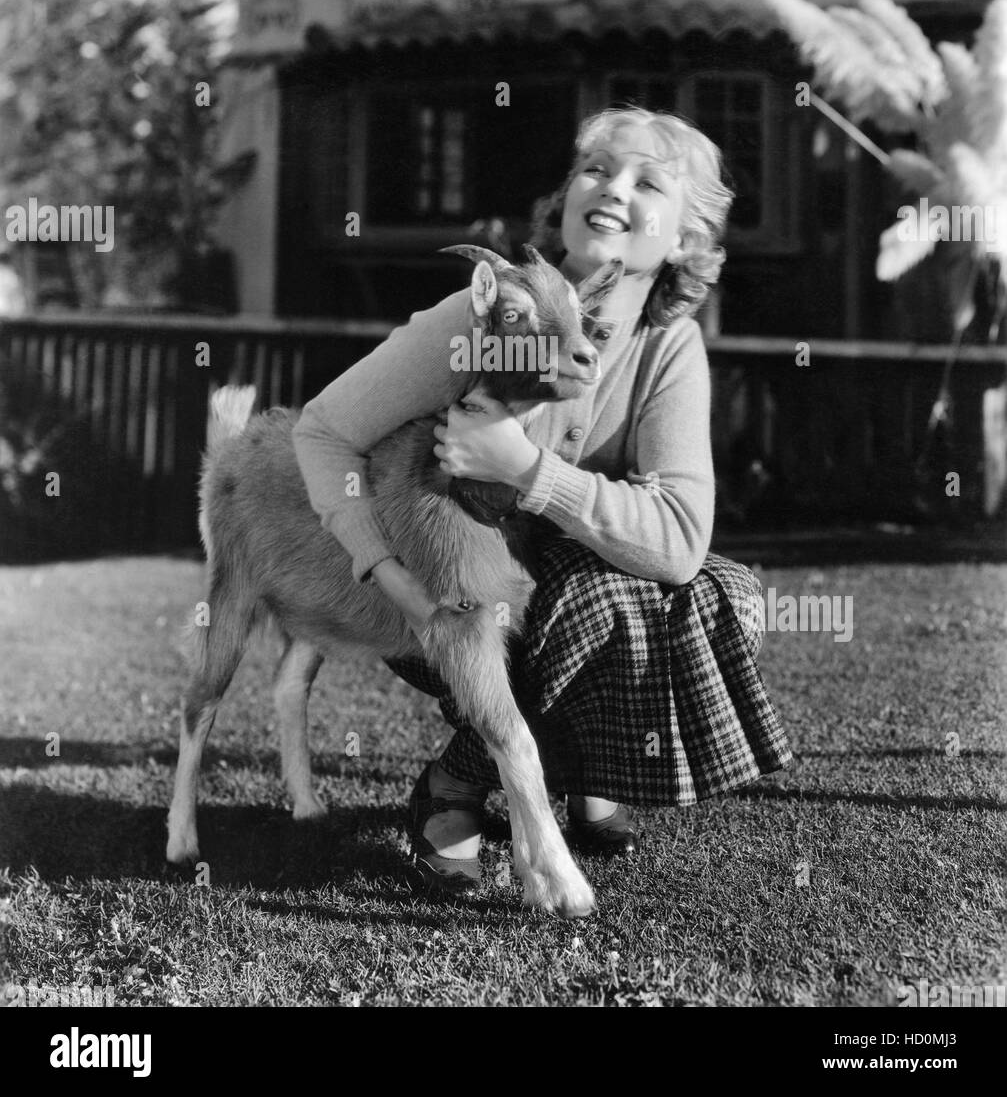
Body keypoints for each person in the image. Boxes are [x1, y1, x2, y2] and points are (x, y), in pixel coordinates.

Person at [292, 107, 792, 895]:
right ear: (561, 202)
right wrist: (381, 566)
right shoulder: (483, 317)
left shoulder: (668, 350)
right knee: (591, 601)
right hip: (443, 587)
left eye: (647, 181)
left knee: (718, 595)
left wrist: (527, 468)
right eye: (594, 169)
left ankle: (538, 769)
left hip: (551, 589)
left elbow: (679, 541)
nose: (611, 187)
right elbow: (321, 433)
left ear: (685, 241)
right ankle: (469, 789)